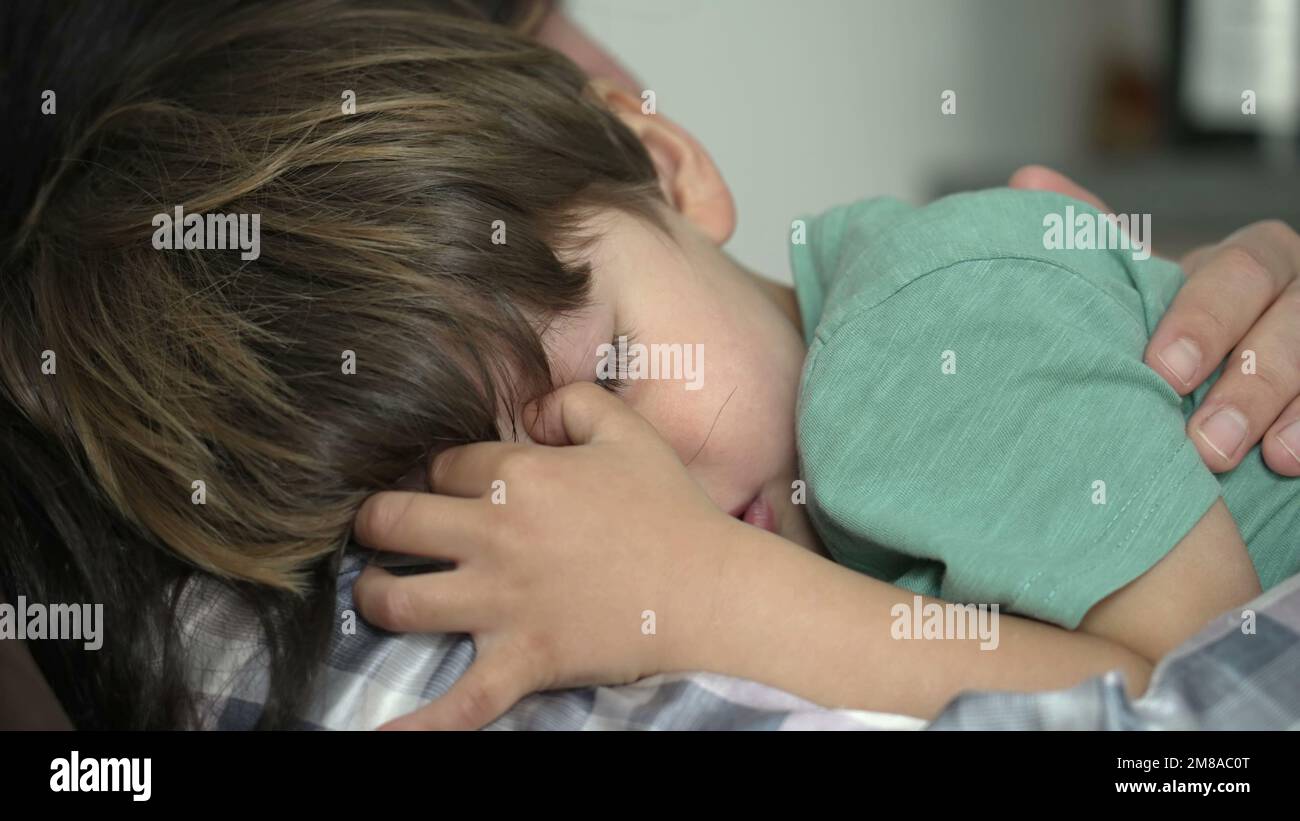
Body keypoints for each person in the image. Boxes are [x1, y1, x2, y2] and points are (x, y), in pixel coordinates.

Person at [2, 0, 1298, 730]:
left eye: (614, 371)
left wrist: (707, 593)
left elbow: (1195, 707)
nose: (624, 492)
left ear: (670, 162)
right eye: (536, 478)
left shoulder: (912, 350)